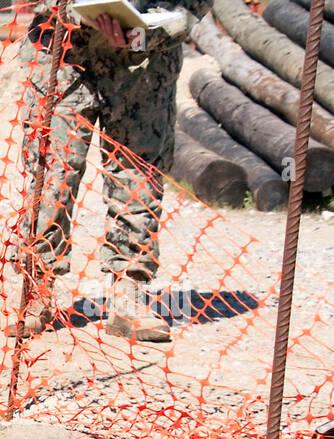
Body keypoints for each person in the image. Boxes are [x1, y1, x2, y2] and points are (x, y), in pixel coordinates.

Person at [14, 0, 211, 343]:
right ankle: (38, 287)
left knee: (139, 175)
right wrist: (77, 12)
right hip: (65, 55)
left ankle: (129, 295)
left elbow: (195, 5)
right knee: (53, 171)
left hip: (146, 64)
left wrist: (151, 31)